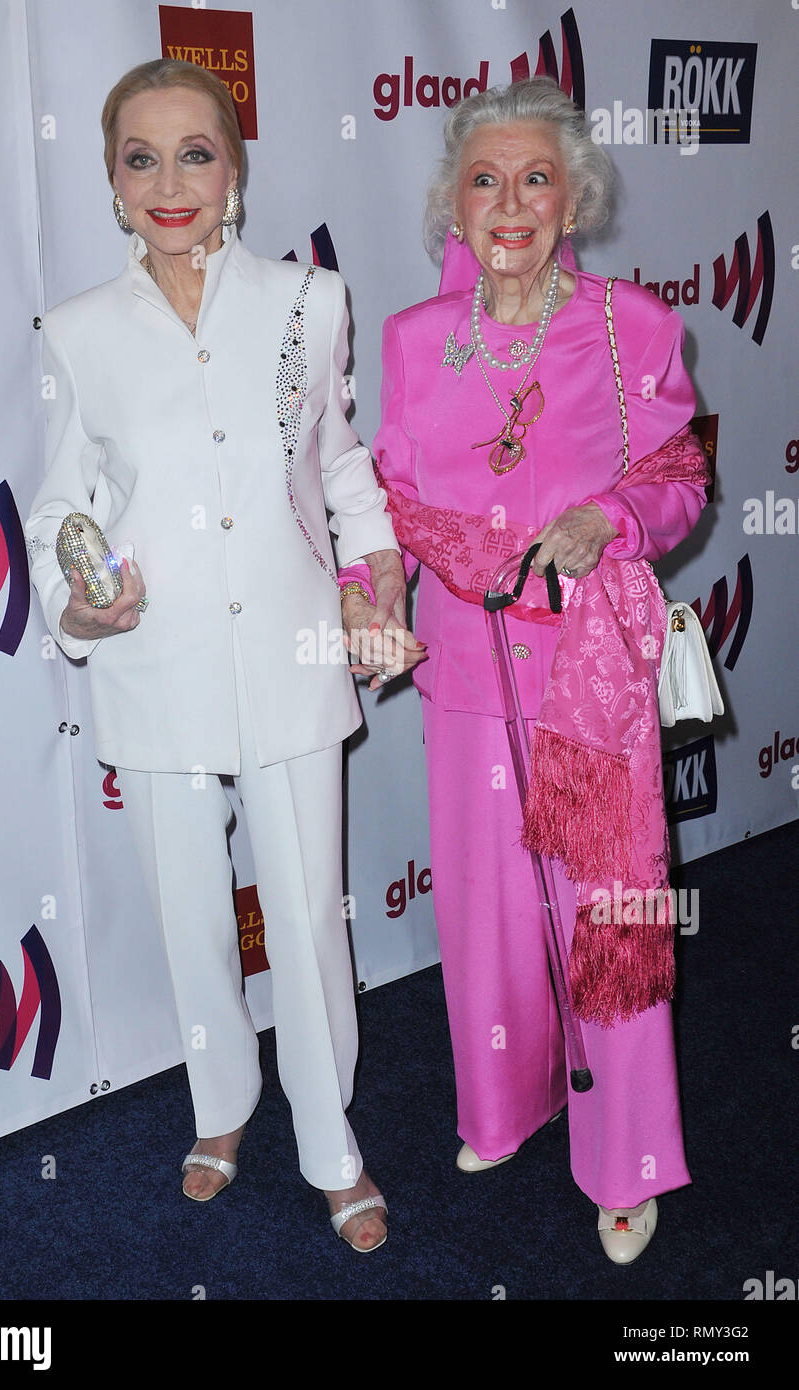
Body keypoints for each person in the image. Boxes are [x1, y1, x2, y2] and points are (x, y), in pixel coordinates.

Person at [24, 58, 422, 1252]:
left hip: (295, 654)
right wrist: (73, 609)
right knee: (192, 915)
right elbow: (57, 515)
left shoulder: (310, 304)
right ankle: (220, 1104)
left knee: (305, 918)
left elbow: (340, 468)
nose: (169, 181)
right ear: (109, 181)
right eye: (139, 158)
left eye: (194, 152)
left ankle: (329, 1141)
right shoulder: (78, 334)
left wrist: (379, 574)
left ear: (236, 168)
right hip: (152, 667)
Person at [340, 76, 710, 1263]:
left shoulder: (631, 326)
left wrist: (611, 516)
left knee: (610, 917)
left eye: (536, 178)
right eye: (485, 178)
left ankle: (627, 1159)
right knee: (490, 909)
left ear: (574, 198)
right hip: (465, 674)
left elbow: (679, 481)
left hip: (589, 678)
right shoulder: (408, 342)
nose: (510, 203)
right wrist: (373, 594)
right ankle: (504, 1106)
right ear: (455, 199)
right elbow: (384, 508)